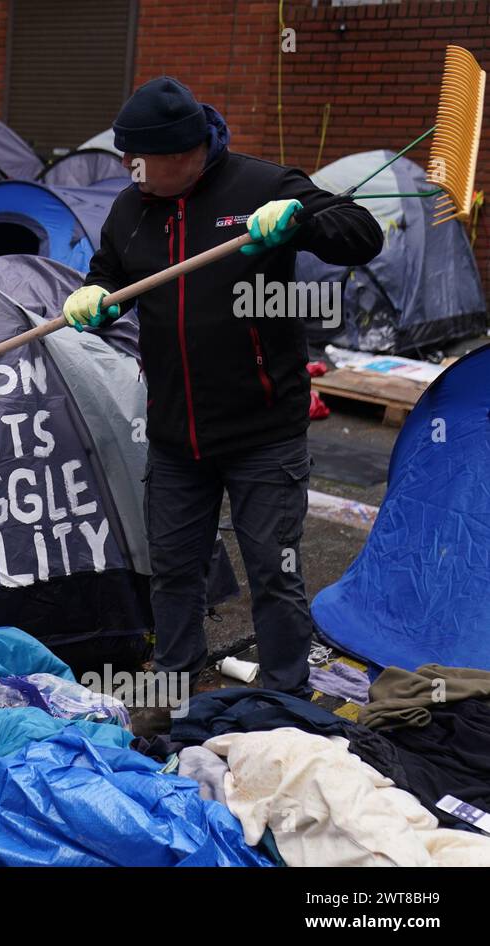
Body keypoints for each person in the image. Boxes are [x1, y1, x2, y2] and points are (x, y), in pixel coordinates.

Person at [63, 77, 383, 701]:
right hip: (176, 436)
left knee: (274, 570)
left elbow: (361, 234)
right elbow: (107, 276)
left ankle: (286, 698)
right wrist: (92, 299)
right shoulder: (132, 207)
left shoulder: (262, 186)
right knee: (175, 572)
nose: (132, 172)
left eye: (141, 159)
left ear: (185, 151)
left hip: (263, 432)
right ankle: (173, 692)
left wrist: (301, 223)